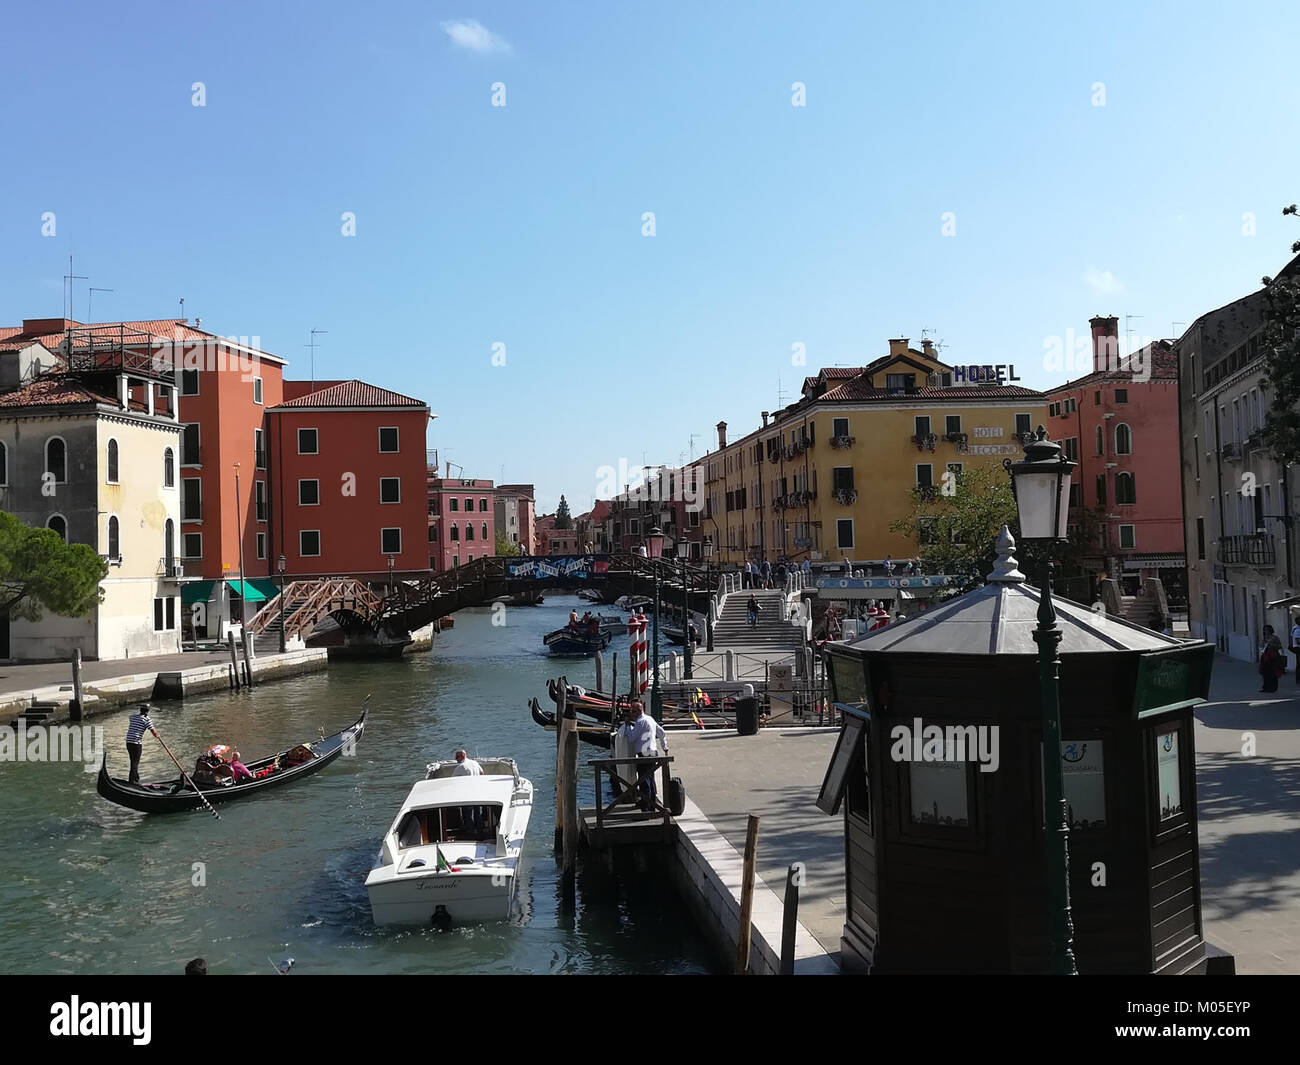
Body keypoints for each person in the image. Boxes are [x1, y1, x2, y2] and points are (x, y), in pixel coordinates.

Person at [619, 702, 667, 811]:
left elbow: (631, 737)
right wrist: (664, 746)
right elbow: (661, 732)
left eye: (633, 711)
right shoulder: (650, 719)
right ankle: (652, 804)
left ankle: (646, 807)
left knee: (644, 780)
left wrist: (627, 726)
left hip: (644, 753)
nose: (631, 714)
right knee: (651, 779)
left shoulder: (640, 722)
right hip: (653, 751)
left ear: (639, 711)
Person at [125, 704, 159, 784]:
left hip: (128, 741)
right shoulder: (147, 719)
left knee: (132, 760)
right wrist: (157, 735)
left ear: (140, 710)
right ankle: (132, 781)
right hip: (136, 742)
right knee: (135, 762)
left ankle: (135, 778)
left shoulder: (133, 717)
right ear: (148, 711)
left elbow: (131, 718)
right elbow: (154, 732)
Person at [1259, 626, 1284, 693]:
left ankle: (1273, 688)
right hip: (1265, 657)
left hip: (1273, 657)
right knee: (1265, 673)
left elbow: (1279, 646)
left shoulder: (1275, 638)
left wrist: (1272, 645)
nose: (1265, 631)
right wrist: (1263, 644)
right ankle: (1265, 687)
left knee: (1273, 673)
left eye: (1267, 630)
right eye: (1264, 630)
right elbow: (1261, 646)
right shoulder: (1264, 638)